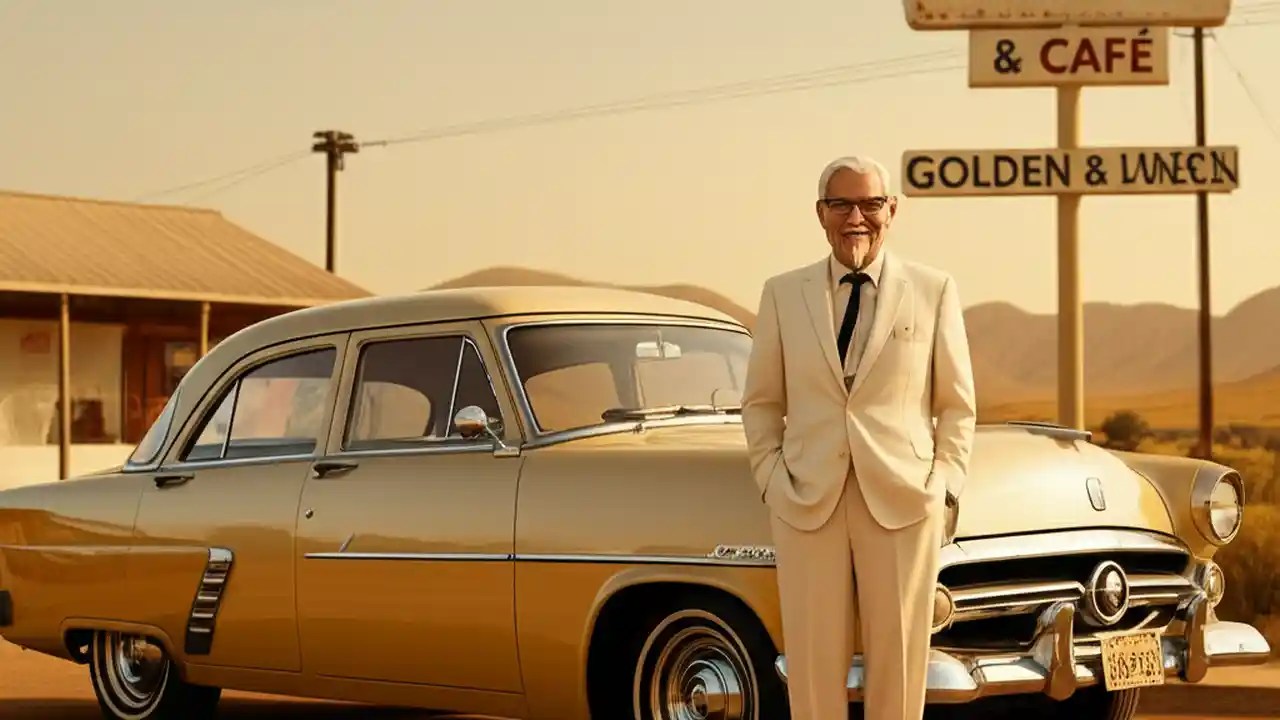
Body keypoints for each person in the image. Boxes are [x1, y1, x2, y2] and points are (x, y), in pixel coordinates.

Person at [741, 154, 976, 720]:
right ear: (820, 214)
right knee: (813, 668)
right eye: (842, 204)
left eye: (871, 204)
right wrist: (772, 478)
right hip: (806, 498)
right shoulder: (782, 293)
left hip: (902, 499)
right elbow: (762, 402)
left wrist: (942, 486)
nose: (857, 217)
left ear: (891, 211)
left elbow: (957, 406)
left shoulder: (933, 290)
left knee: (898, 665)